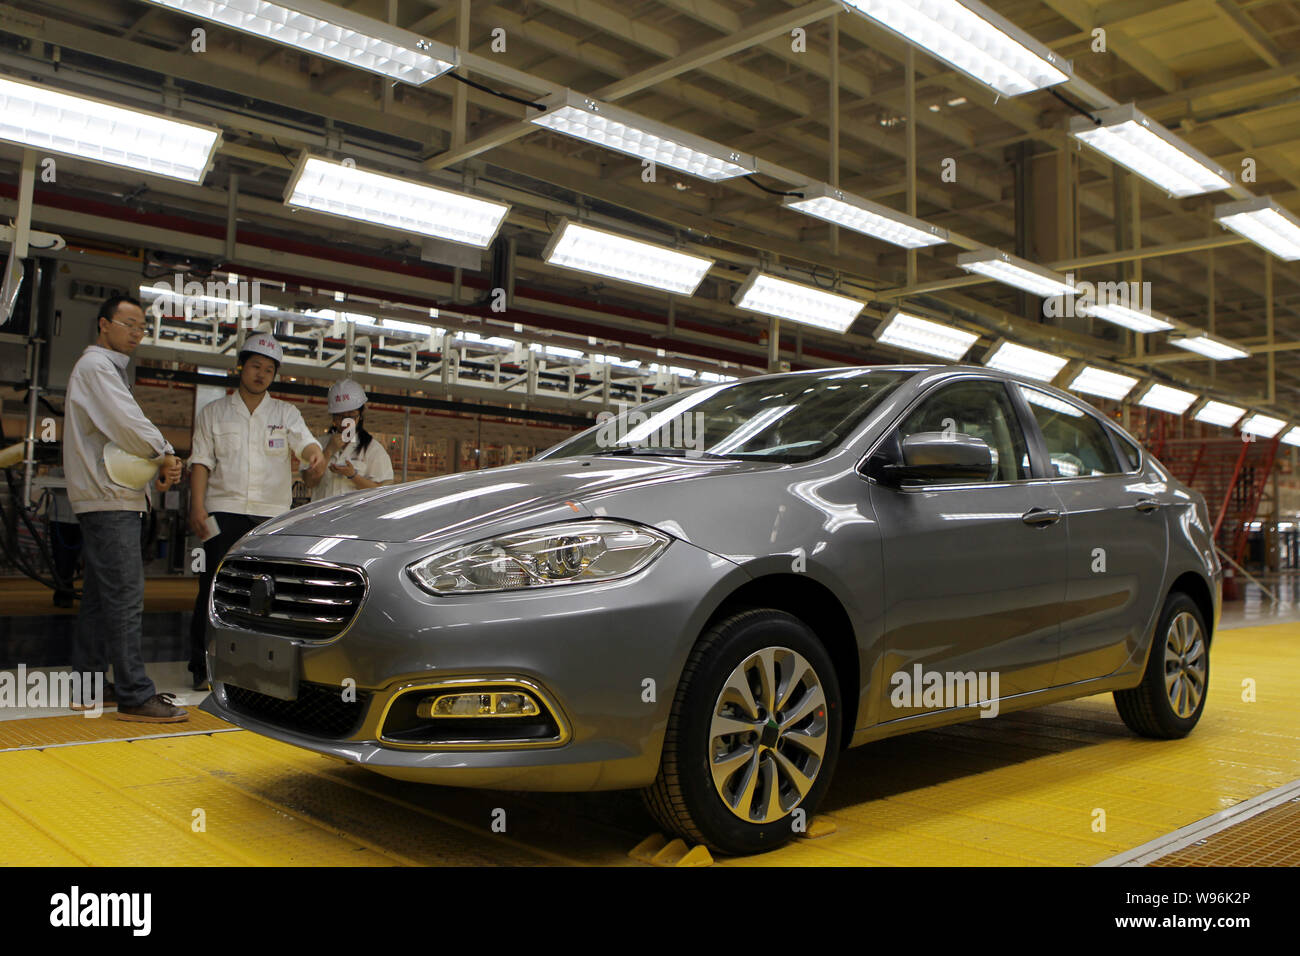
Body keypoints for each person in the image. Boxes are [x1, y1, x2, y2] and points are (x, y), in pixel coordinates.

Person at [65, 295, 185, 721]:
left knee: (100, 598)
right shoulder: (98, 367)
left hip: (110, 495)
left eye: (142, 325)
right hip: (108, 498)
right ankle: (136, 692)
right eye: (128, 323)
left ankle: (88, 686)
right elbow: (126, 424)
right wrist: (165, 452)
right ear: (104, 325)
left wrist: (155, 460)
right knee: (125, 597)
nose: (136, 332)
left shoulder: (106, 369)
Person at [187, 333, 326, 691]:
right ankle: (202, 666)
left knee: (267, 595)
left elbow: (306, 441)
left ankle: (259, 666)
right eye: (255, 366)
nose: (261, 374)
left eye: (268, 369)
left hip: (271, 516)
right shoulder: (213, 413)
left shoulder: (285, 413)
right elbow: (200, 462)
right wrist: (197, 506)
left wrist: (314, 455)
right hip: (222, 511)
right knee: (213, 589)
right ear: (241, 368)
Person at [307, 379, 395, 502]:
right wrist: (328, 452)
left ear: (360, 415)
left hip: (356, 519)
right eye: (340, 416)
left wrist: (353, 475)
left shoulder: (373, 450)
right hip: (322, 518)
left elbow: (382, 492)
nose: (345, 421)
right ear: (333, 417)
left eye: (351, 415)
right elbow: (310, 482)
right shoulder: (318, 445)